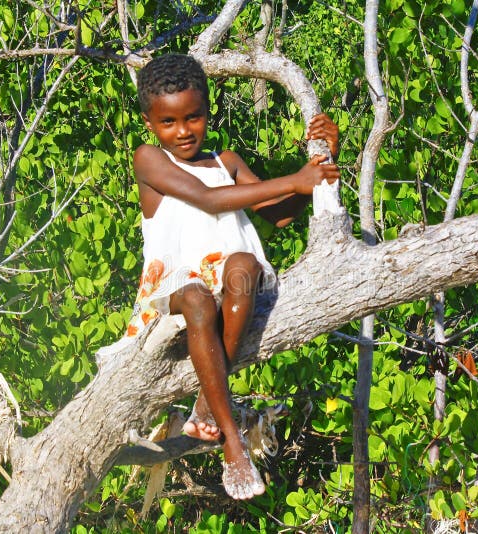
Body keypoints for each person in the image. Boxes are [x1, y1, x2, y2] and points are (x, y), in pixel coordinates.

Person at [127, 53, 340, 500]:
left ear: (208, 111)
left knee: (244, 264)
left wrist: (321, 166)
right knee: (201, 298)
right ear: (150, 124)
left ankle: (207, 403)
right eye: (169, 122)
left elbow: (280, 216)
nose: (183, 131)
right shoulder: (148, 159)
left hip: (226, 281)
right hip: (175, 287)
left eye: (194, 117)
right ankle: (231, 441)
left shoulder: (227, 161)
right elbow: (208, 200)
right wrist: (296, 179)